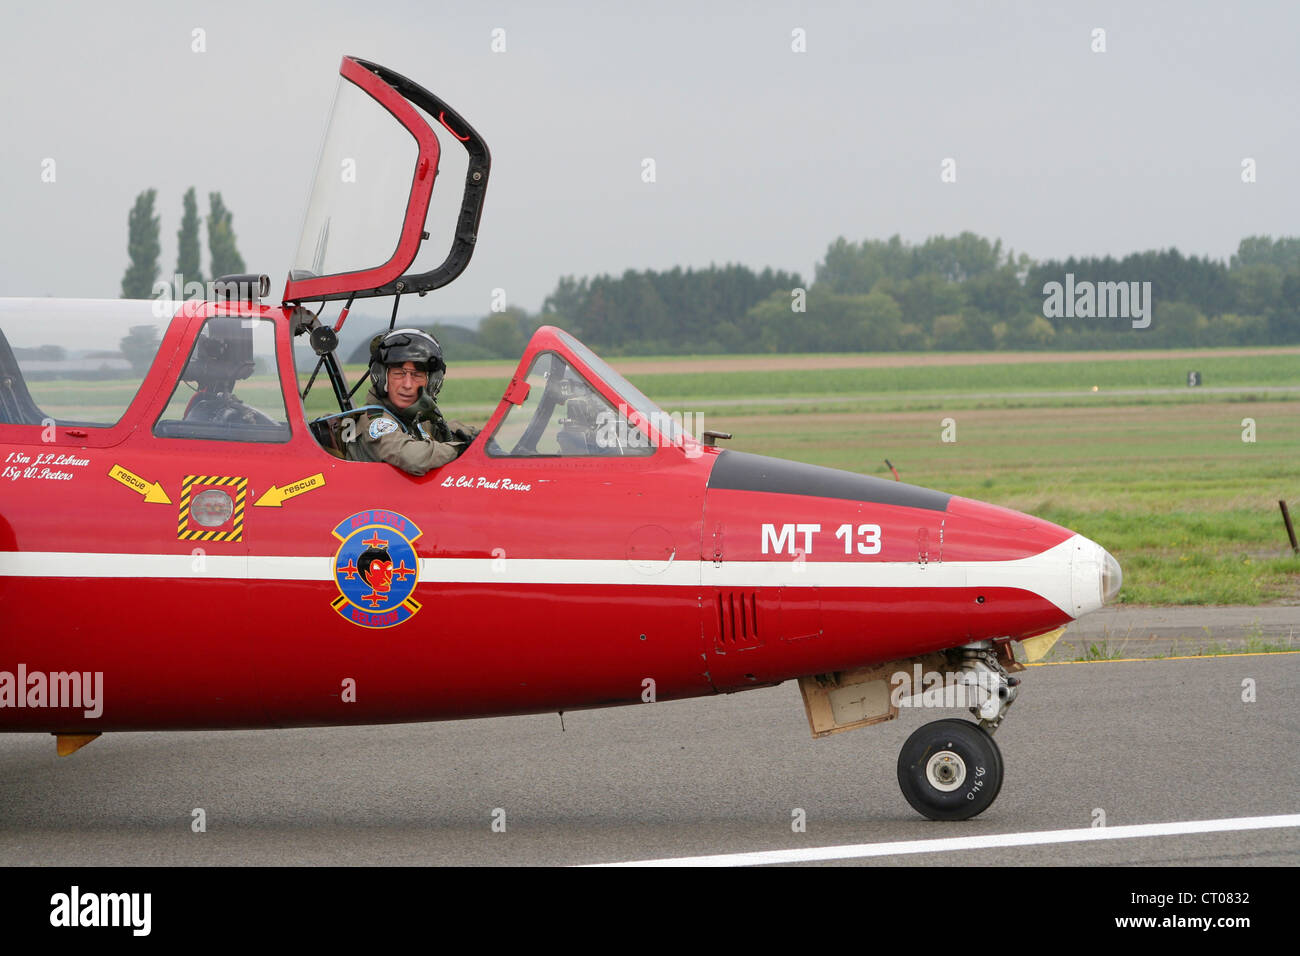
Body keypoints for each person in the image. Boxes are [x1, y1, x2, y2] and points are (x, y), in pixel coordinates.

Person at [344, 328, 479, 475]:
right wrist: (460, 448)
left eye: (417, 375)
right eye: (398, 374)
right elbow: (413, 458)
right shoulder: (375, 420)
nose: (407, 384)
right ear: (382, 377)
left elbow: (444, 430)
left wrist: (480, 439)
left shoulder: (413, 416)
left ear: (431, 382)